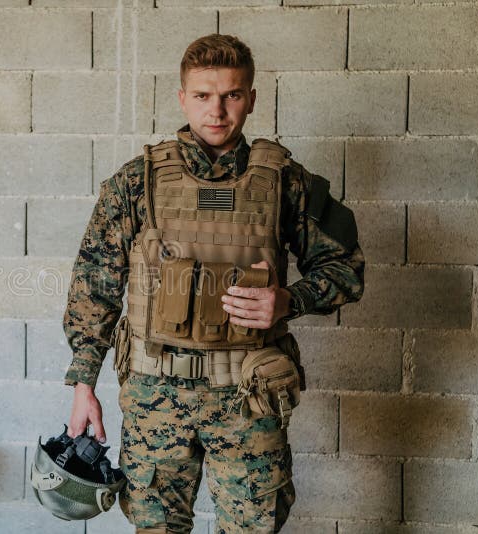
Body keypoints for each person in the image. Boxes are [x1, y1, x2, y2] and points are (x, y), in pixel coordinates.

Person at [63, 34, 365, 534]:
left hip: (248, 398)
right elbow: (93, 289)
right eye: (203, 95)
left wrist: (290, 299)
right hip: (155, 397)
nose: (217, 111)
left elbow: (346, 270)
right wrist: (83, 386)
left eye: (232, 95)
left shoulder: (285, 182)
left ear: (251, 97)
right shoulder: (136, 182)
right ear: (182, 97)